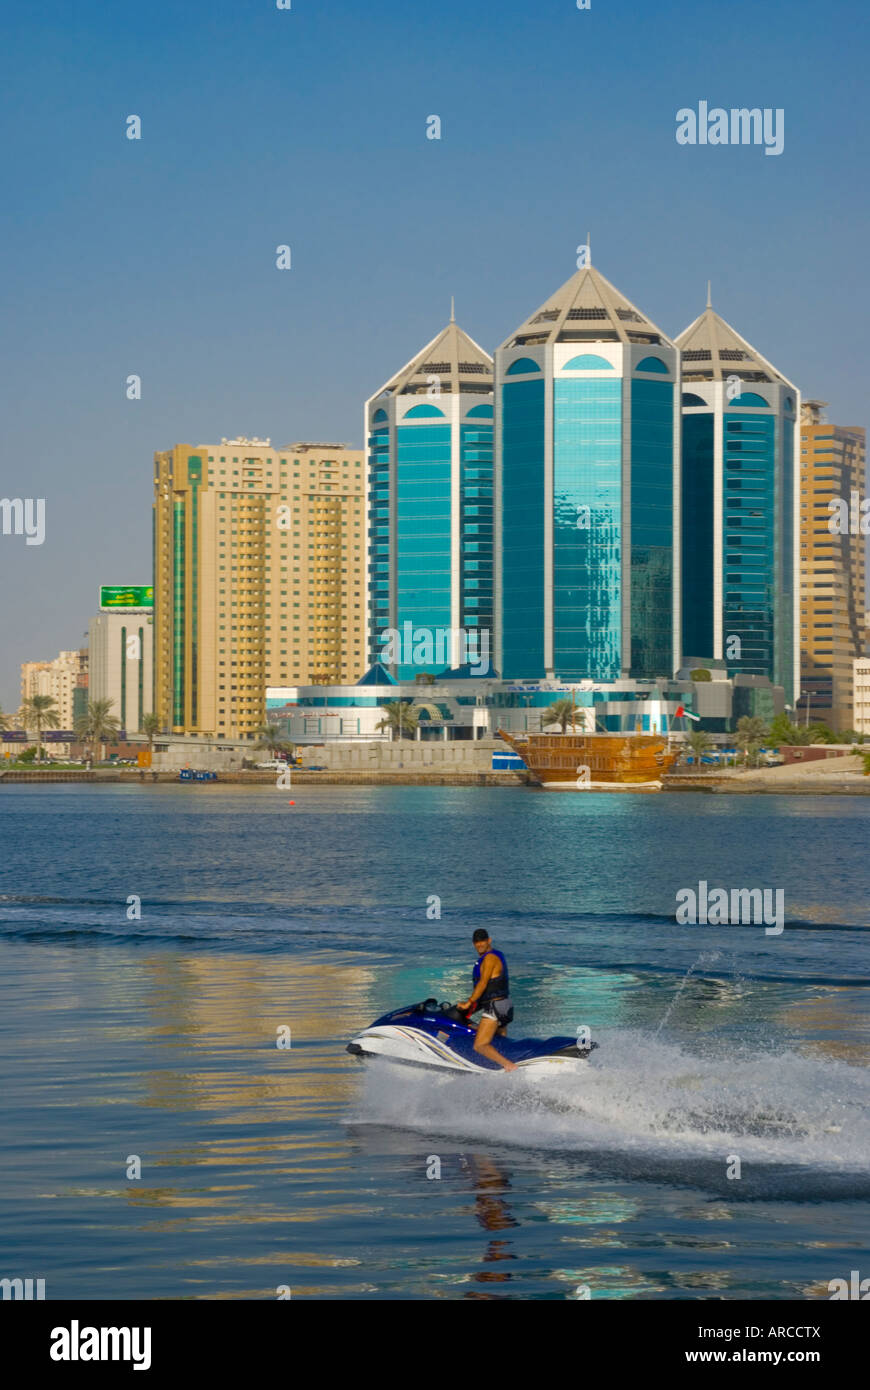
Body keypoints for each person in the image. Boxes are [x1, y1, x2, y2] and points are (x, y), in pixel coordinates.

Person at [457, 930, 517, 1072]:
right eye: (477, 942)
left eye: (482, 941)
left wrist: (469, 1002)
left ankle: (510, 1067)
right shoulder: (497, 955)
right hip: (504, 1005)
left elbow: (483, 984)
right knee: (499, 1042)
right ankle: (503, 1065)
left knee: (480, 1045)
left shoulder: (489, 958)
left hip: (495, 1007)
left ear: (489, 940)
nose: (480, 944)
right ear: (474, 943)